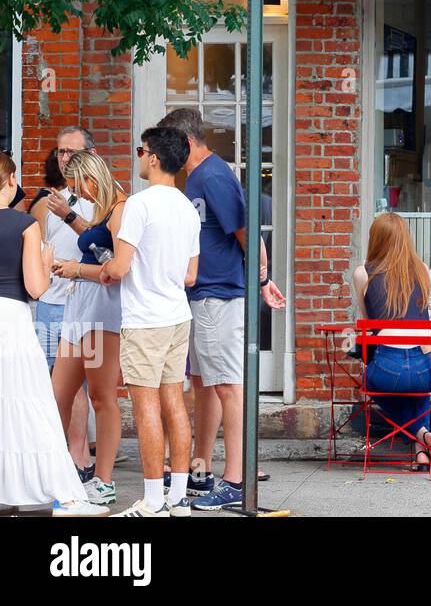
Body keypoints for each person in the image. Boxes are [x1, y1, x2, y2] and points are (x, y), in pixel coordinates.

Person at [156, 108, 285, 511]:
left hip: (218, 294)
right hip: (205, 295)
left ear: (187, 142)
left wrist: (260, 280)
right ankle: (204, 468)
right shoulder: (197, 176)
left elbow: (246, 230)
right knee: (204, 382)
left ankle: (235, 479)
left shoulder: (211, 174)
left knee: (228, 384)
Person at [100, 126, 201, 517]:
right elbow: (191, 276)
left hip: (145, 319)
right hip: (178, 314)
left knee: (145, 408)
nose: (139, 155)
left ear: (154, 158)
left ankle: (154, 501)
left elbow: (121, 266)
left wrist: (107, 266)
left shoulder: (140, 205)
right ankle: (177, 498)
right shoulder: (187, 207)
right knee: (174, 402)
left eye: (141, 150)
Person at [0, 151, 107, 516]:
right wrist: (46, 263)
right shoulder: (22, 224)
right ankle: (57, 492)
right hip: (11, 320)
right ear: (11, 181)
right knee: (31, 404)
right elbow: (35, 287)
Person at [49, 151, 126, 506]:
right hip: (79, 306)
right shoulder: (101, 210)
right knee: (57, 397)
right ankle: (50, 470)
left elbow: (117, 272)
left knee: (101, 396)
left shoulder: (121, 209)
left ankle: (104, 479)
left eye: (79, 188)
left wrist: (74, 269)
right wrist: (69, 217)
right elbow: (95, 244)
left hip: (101, 309)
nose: (78, 194)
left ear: (92, 180)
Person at [351, 213, 431, 470]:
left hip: (388, 369)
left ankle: (420, 435)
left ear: (376, 239)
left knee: (373, 385)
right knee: (419, 388)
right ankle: (423, 450)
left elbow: (368, 321)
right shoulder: (423, 269)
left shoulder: (363, 273)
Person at [32, 127, 96, 476]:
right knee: (51, 382)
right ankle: (55, 456)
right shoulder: (46, 199)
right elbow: (37, 248)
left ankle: (80, 456)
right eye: (60, 151)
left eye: (72, 152)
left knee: (82, 385)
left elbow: (108, 249)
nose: (65, 158)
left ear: (91, 154)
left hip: (88, 304)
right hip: (52, 304)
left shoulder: (103, 198)